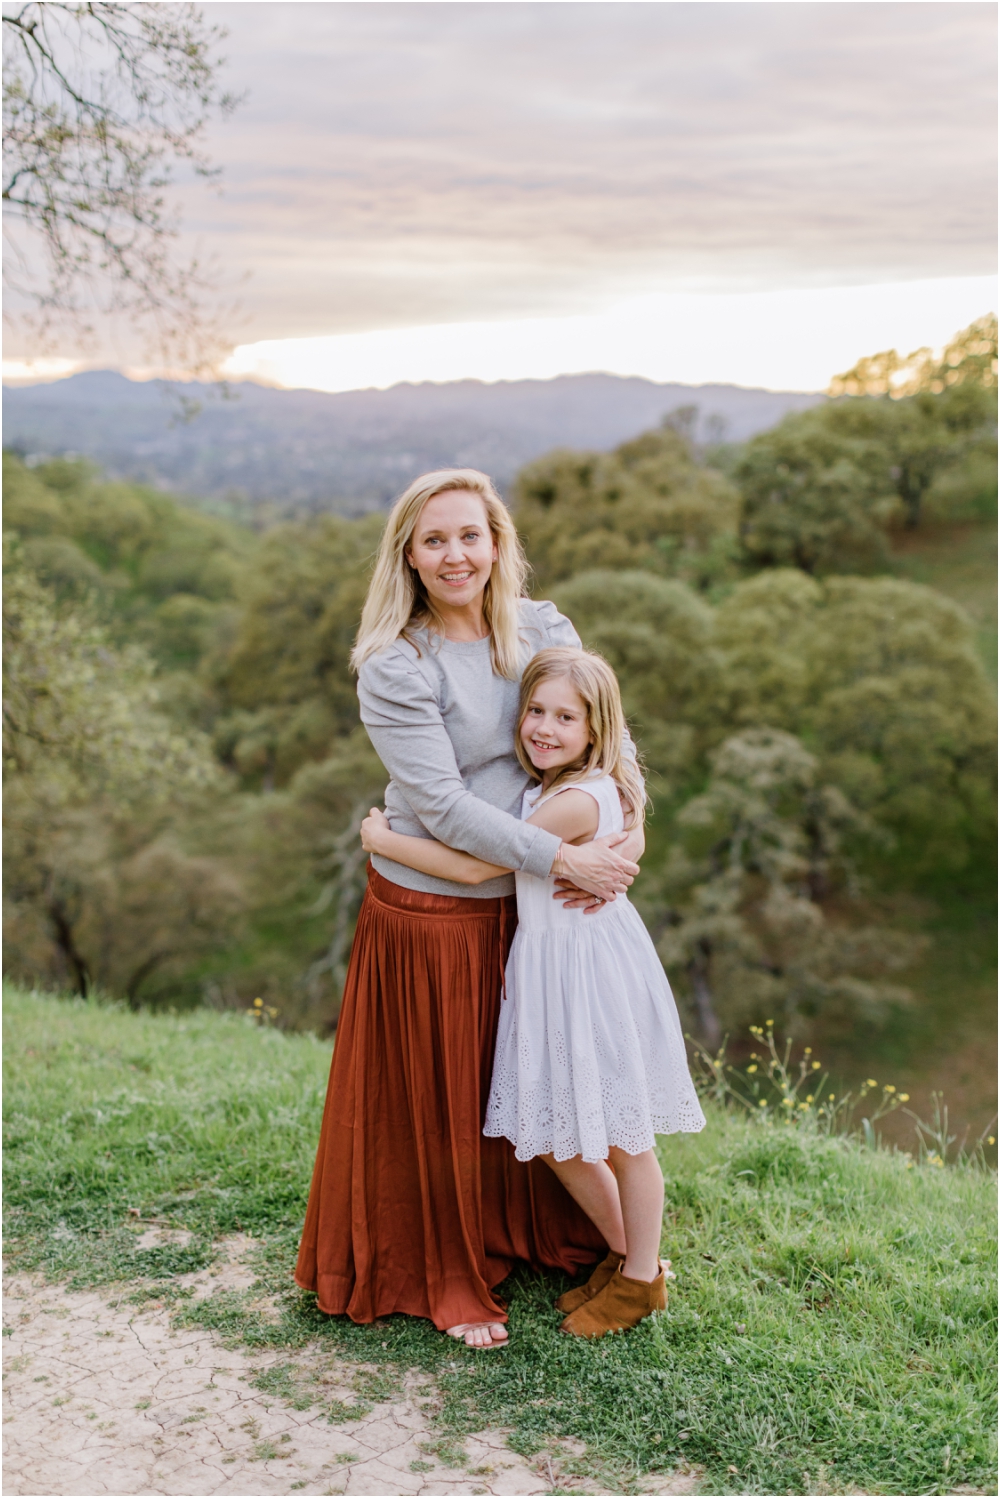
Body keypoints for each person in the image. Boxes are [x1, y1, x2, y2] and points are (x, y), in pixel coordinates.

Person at [294, 470, 644, 1350]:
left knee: (527, 1081)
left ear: (497, 544)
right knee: (445, 1101)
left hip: (527, 908)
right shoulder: (395, 666)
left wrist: (627, 837)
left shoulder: (544, 629)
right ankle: (447, 1269)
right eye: (434, 540)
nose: (456, 555)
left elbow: (611, 743)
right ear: (408, 557)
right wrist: (563, 856)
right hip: (435, 912)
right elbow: (446, 809)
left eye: (470, 535)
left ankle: (596, 1247)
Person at [361, 645, 706, 1338]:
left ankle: (641, 1279)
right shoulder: (557, 786)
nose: (544, 728)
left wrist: (380, 839)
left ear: (597, 729)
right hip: (553, 969)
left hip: (588, 975)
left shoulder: (573, 803)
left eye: (565, 718)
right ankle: (628, 1257)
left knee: (625, 1139)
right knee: (555, 1134)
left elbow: (472, 867)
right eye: (535, 711)